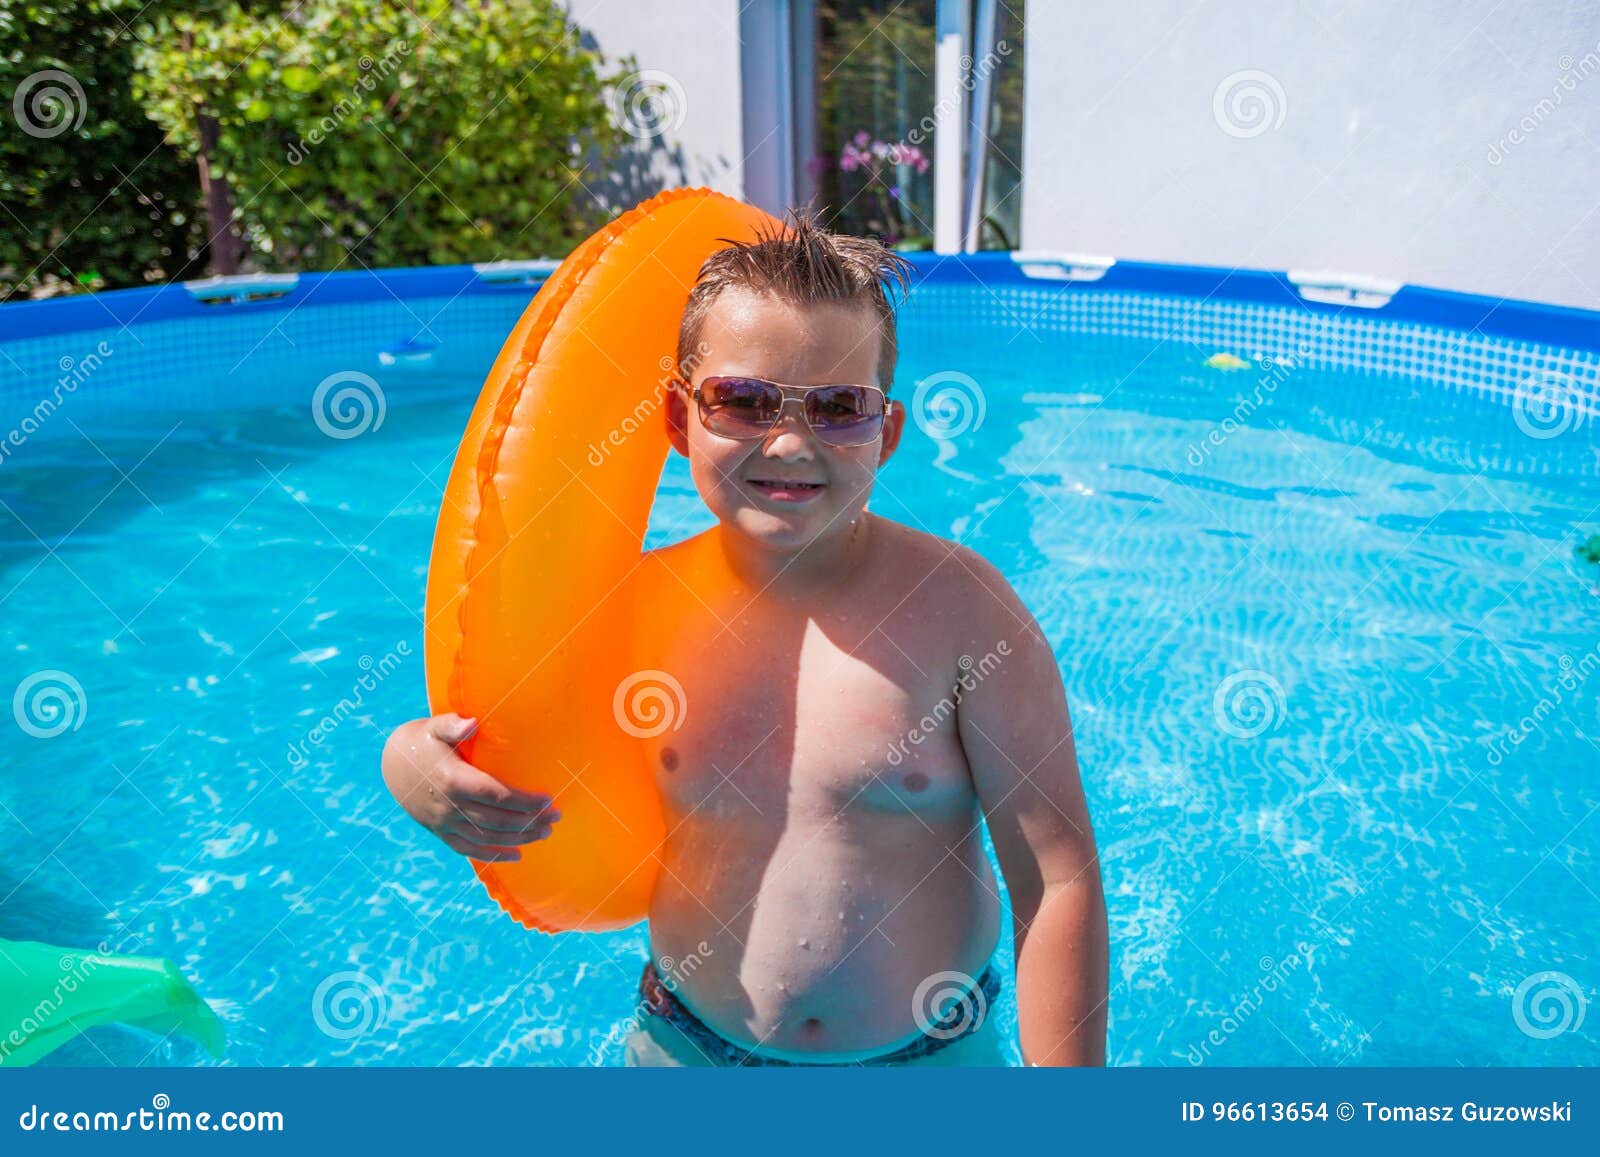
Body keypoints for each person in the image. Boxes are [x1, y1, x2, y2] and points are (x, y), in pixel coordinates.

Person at [381, 212, 1108, 1066]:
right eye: (743, 401)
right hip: (689, 1045)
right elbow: (508, 729)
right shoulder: (632, 611)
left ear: (886, 434)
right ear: (677, 419)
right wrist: (410, 764)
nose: (790, 442)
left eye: (839, 407)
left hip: (932, 1054)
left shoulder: (964, 614)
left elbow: (1056, 878)